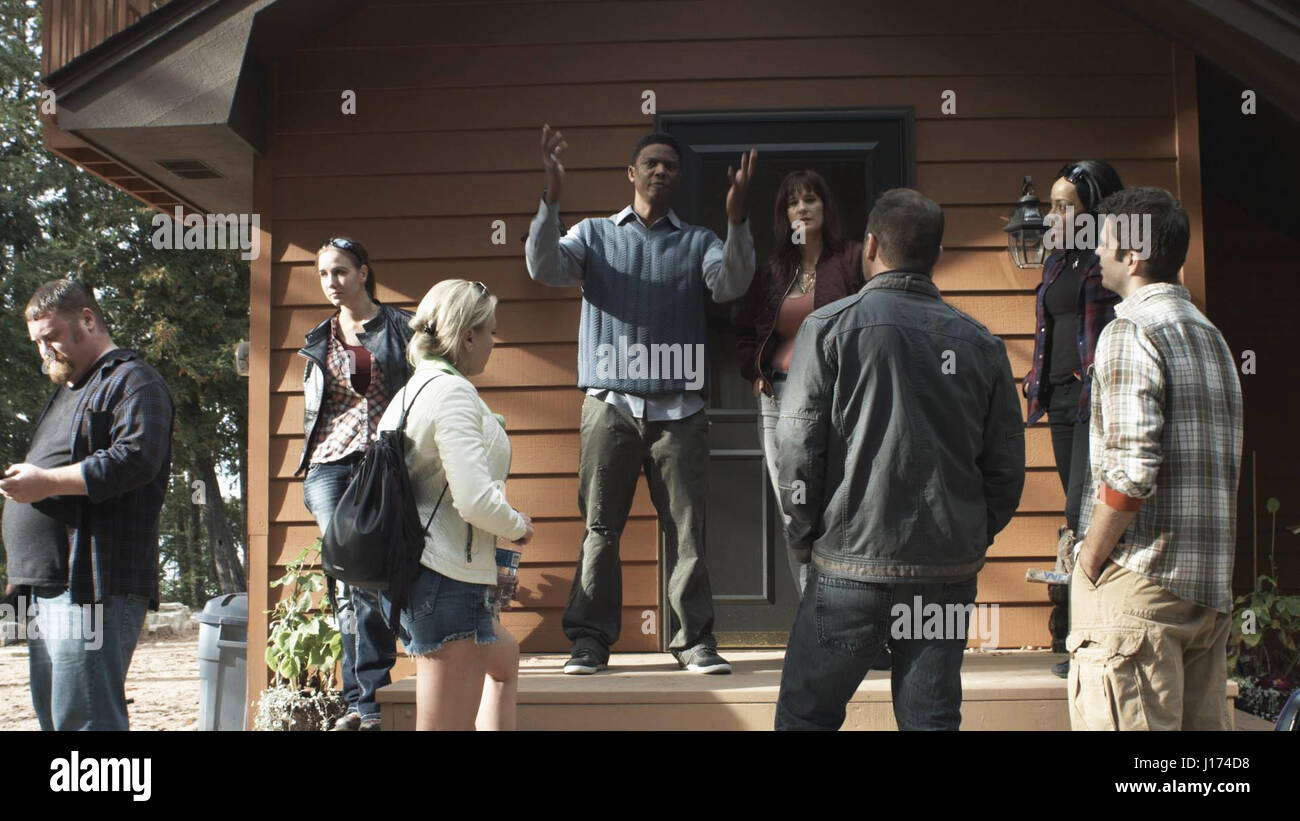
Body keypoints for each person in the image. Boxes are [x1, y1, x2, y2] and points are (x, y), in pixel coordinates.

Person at [773, 189, 1025, 731]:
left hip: (848, 564)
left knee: (805, 717)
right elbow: (1006, 466)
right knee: (931, 721)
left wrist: (803, 535)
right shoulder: (981, 344)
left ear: (870, 246)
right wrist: (969, 534)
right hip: (944, 569)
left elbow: (796, 447)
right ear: (937, 254)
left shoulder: (829, 328)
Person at [526, 126, 757, 675]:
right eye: (651, 163)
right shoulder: (594, 233)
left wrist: (737, 220)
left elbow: (731, 284)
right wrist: (551, 199)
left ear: (678, 178)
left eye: (670, 165)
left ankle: (694, 641)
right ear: (631, 173)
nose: (660, 171)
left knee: (687, 532)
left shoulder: (699, 241)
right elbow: (544, 267)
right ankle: (589, 642)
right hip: (610, 406)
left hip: (681, 412)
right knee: (600, 528)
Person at [1066, 188, 1242, 731]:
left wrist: (1088, 559)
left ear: (1133, 255)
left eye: (1104, 242)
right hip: (1206, 590)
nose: (1096, 252)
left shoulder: (1130, 331)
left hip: (1138, 583)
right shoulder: (1212, 336)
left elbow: (1131, 471)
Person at [1, 279, 174, 731]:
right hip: (47, 585)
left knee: (86, 721)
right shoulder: (67, 390)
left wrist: (44, 483)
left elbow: (136, 459)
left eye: (52, 336)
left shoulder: (133, 380)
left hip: (93, 582)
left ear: (88, 319)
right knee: (59, 719)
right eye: (37, 342)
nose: (44, 351)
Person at [378, 279, 533, 731]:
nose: (493, 343)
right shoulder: (453, 393)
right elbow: (474, 499)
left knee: (504, 660)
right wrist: (518, 526)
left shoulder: (413, 390)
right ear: (468, 336)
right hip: (447, 581)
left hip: (428, 575)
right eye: (490, 332)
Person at [297, 237, 410, 730]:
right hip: (328, 466)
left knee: (373, 574)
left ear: (363, 273)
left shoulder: (401, 327)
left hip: (379, 464)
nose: (332, 282)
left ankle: (369, 700)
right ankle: (363, 702)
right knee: (349, 577)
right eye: (324, 274)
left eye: (341, 271)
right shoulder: (319, 339)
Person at [736, 169, 863, 596]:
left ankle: (840, 604)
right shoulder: (773, 271)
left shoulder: (851, 259)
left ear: (825, 207)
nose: (802, 208)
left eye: (810, 199)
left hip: (834, 399)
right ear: (784, 215)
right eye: (793, 203)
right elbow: (745, 331)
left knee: (836, 504)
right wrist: (754, 373)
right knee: (794, 507)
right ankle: (813, 609)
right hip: (778, 397)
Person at [1021, 160, 1124, 679]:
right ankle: (1080, 636)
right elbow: (1052, 329)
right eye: (1052, 205)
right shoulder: (1058, 261)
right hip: (1060, 400)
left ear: (1092, 210)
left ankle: (1091, 638)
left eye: (1064, 206)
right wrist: (1035, 378)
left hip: (1094, 401)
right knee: (1074, 509)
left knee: (1085, 512)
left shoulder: (1110, 260)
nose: (1051, 215)